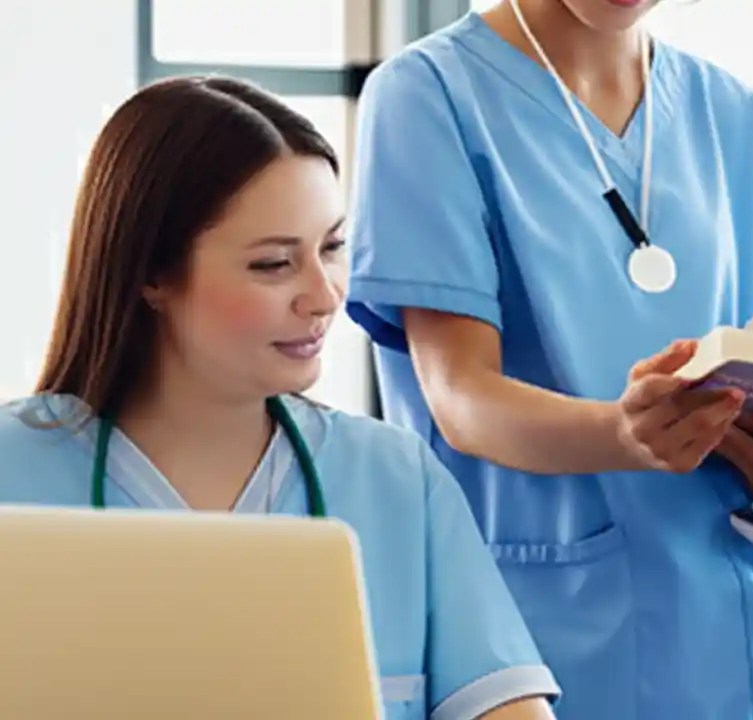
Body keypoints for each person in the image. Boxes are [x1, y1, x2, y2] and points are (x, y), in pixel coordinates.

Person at [344, 0, 753, 717]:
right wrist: (622, 435)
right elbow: (459, 398)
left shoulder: (732, 114)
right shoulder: (430, 96)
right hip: (530, 645)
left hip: (729, 642)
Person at [0, 75, 560, 720]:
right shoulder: (16, 471)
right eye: (273, 265)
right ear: (151, 273)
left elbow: (505, 706)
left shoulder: (395, 478)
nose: (323, 297)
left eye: (332, 248)